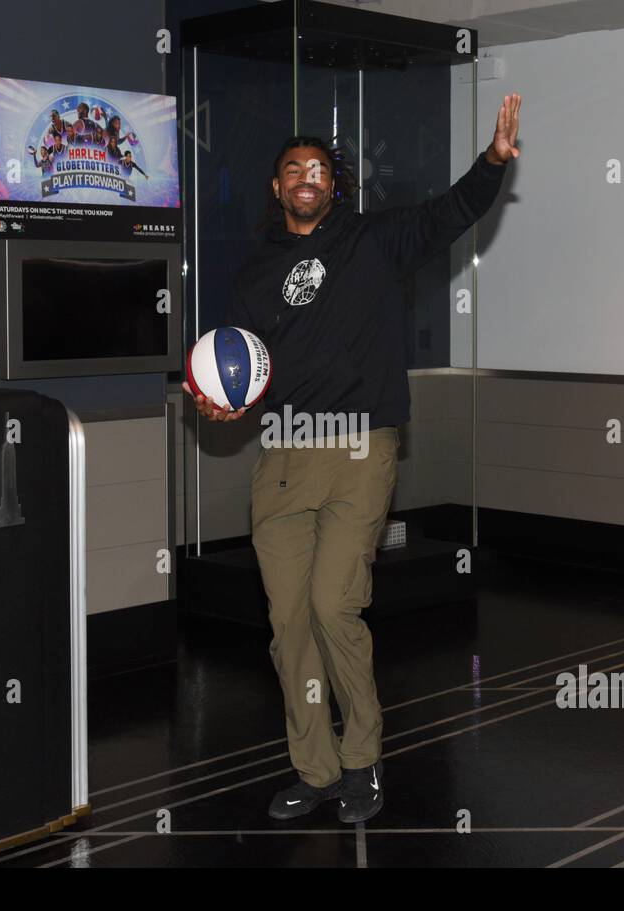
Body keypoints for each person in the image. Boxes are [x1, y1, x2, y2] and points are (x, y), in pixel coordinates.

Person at [185, 94, 521, 823]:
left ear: (333, 185)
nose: (307, 176)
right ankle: (316, 767)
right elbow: (240, 369)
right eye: (292, 169)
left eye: (318, 168)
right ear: (277, 189)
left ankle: (362, 758)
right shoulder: (251, 276)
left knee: (335, 605)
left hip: (361, 447)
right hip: (283, 455)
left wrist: (492, 163)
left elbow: (450, 212)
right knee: (288, 623)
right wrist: (217, 401)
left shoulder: (373, 241)